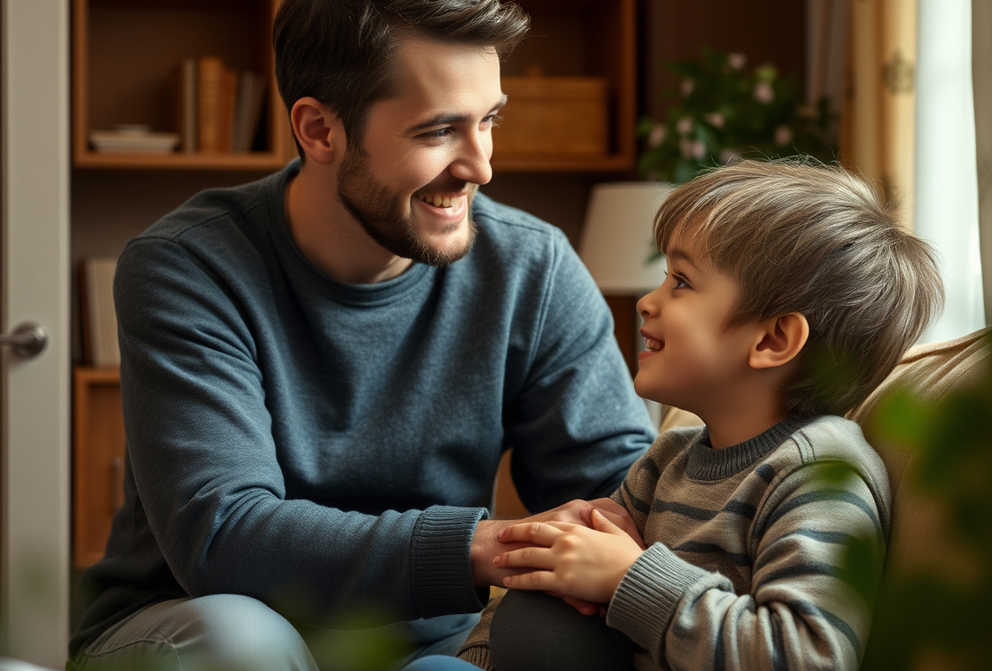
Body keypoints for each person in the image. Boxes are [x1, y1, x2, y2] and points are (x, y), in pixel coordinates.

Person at [66, 1, 655, 669]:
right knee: (245, 642)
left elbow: (620, 491)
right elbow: (222, 534)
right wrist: (476, 547)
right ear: (320, 130)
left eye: (489, 120)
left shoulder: (531, 268)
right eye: (439, 131)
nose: (481, 166)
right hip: (195, 626)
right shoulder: (189, 266)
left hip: (424, 644)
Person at [457, 159, 945, 670]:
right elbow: (548, 581)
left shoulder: (820, 474)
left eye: (682, 282)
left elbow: (805, 657)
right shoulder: (668, 459)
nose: (648, 301)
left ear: (772, 339)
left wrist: (629, 578)